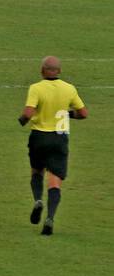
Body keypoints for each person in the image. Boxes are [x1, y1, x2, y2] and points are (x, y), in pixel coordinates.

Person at [18, 56, 87, 236]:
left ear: (42, 71)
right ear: (60, 71)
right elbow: (83, 113)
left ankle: (38, 200)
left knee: (36, 172)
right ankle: (50, 218)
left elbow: (28, 112)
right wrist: (66, 114)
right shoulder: (69, 89)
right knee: (55, 180)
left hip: (39, 137)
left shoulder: (36, 88)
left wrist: (23, 120)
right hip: (59, 138)